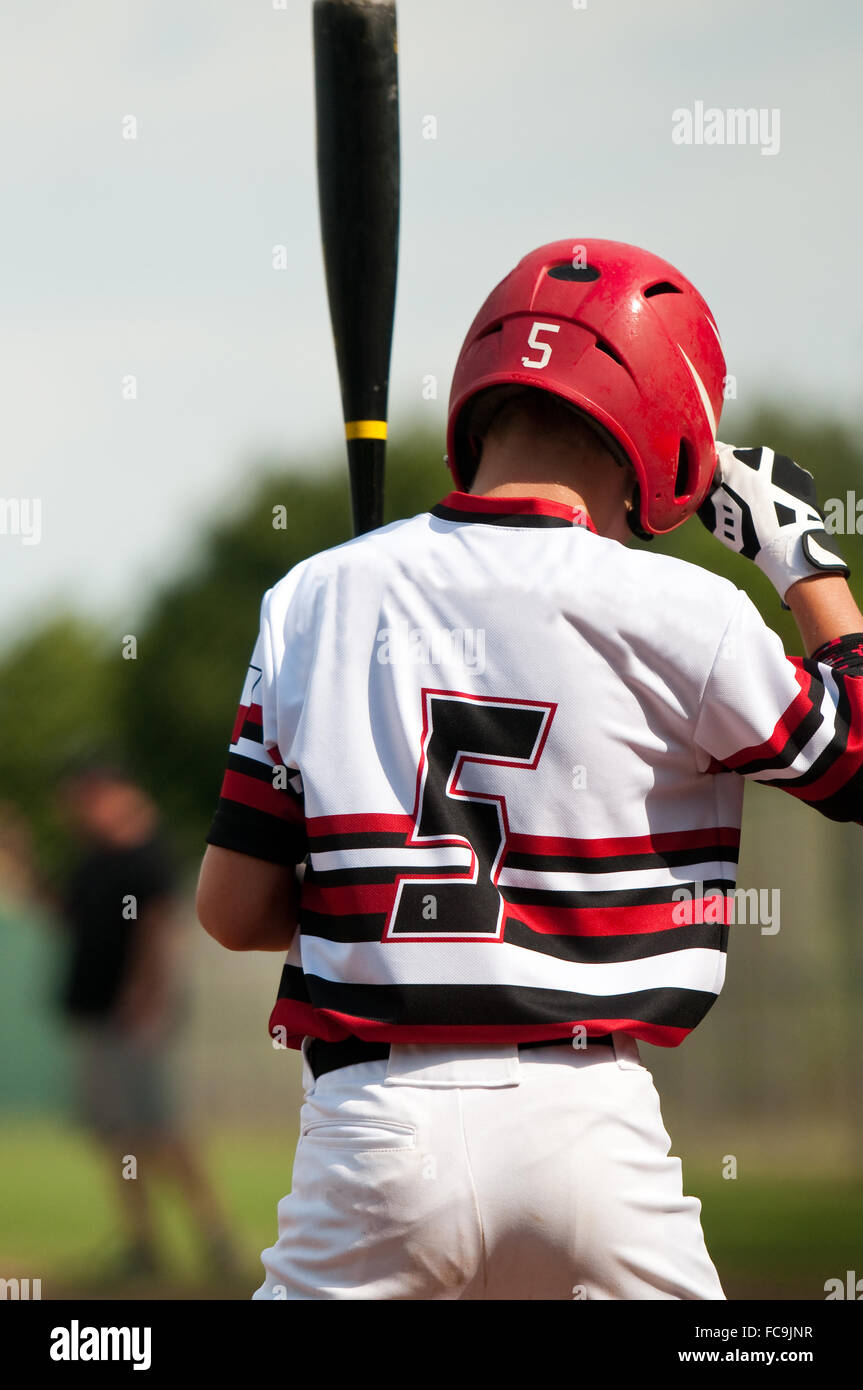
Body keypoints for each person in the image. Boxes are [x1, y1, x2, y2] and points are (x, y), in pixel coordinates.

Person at [197, 239, 863, 1300]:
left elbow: (233, 910)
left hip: (374, 1136)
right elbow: (855, 757)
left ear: (477, 397)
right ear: (674, 435)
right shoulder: (683, 612)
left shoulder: (311, 597)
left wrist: (375, 889)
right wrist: (801, 559)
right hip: (587, 1137)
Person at [54, 759, 236, 1283]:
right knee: (118, 1135)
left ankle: (216, 1239)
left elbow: (160, 928)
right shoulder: (91, 861)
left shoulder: (146, 855)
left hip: (136, 1020)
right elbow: (65, 916)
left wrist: (146, 997)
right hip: (97, 1015)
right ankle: (142, 1244)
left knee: (161, 1131)